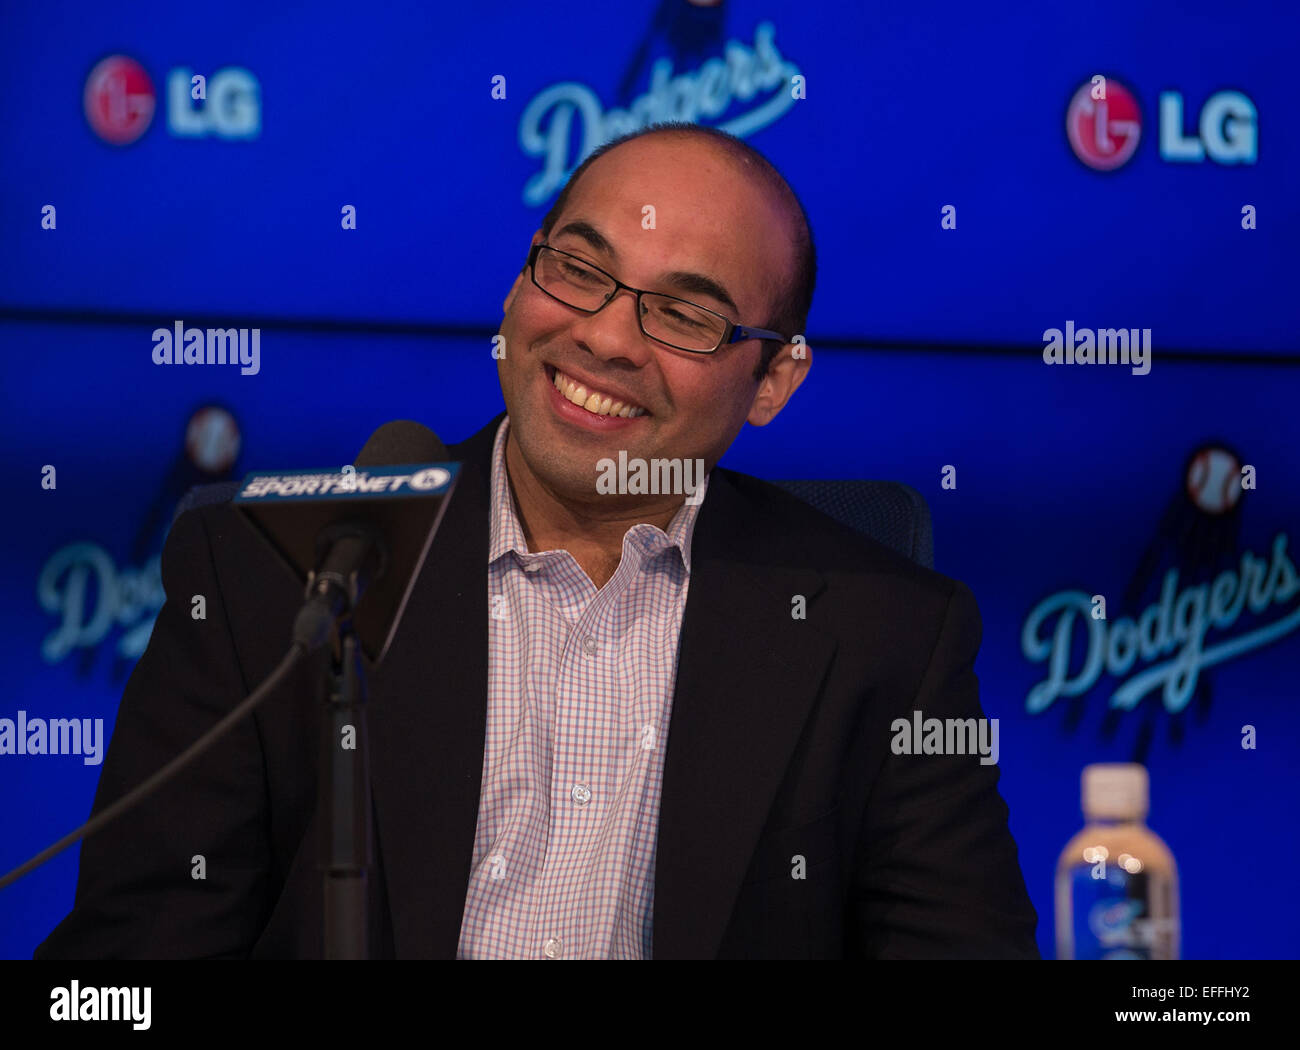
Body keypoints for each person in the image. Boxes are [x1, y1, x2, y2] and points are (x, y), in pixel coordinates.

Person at [35, 123, 1038, 959]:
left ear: (772, 381)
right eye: (578, 270)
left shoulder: (888, 637)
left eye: (685, 315)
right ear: (520, 284)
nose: (605, 337)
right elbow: (130, 974)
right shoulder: (275, 574)